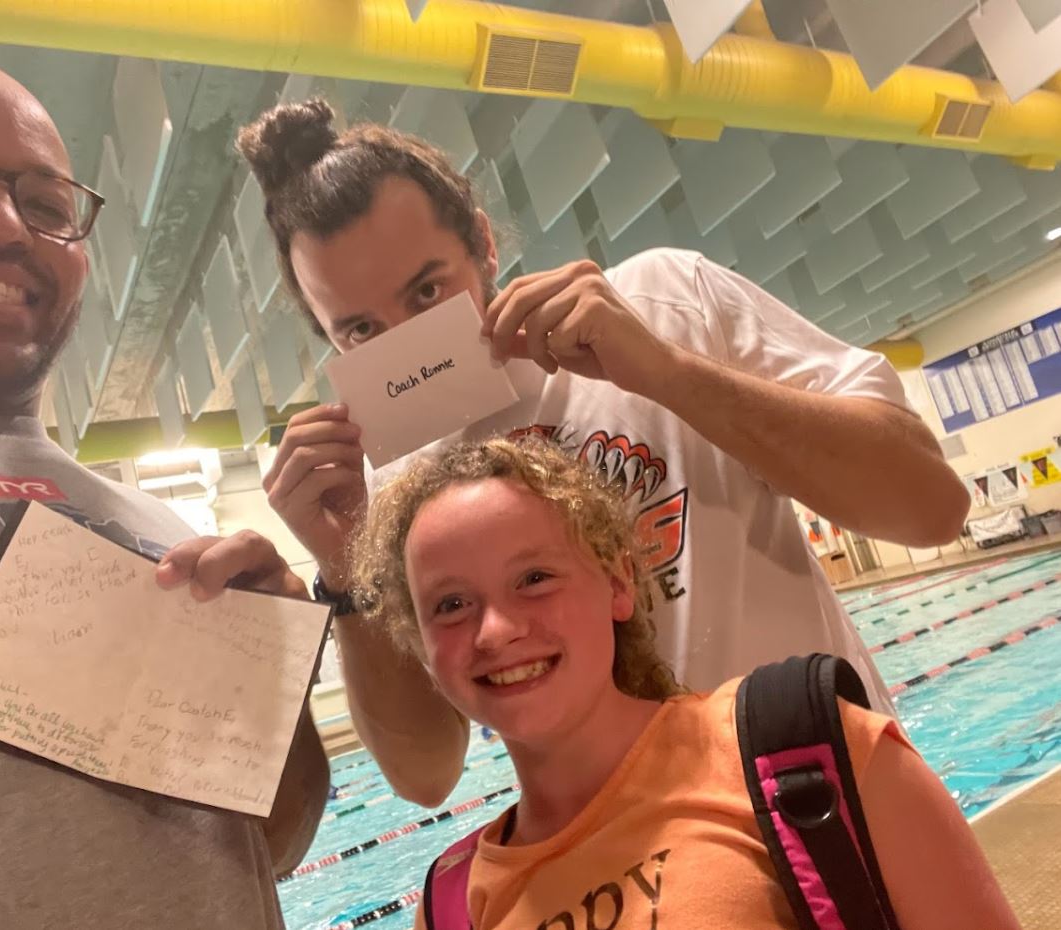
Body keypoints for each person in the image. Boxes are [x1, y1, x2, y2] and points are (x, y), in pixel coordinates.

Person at [235, 99, 971, 805]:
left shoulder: (660, 302)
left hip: (833, 807)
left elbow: (934, 509)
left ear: (484, 243)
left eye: (428, 293)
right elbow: (427, 776)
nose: (411, 345)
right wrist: (343, 569)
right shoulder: (389, 479)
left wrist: (666, 372)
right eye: (362, 331)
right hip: (638, 862)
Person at [0, 59, 326, 928]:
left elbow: (269, 848)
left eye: (46, 205)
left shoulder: (163, 528)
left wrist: (274, 695)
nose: (2, 225)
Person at [349, 436, 1018, 930]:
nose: (495, 631)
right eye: (451, 605)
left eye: (534, 578)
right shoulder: (453, 904)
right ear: (421, 646)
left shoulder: (813, 754)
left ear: (617, 582)